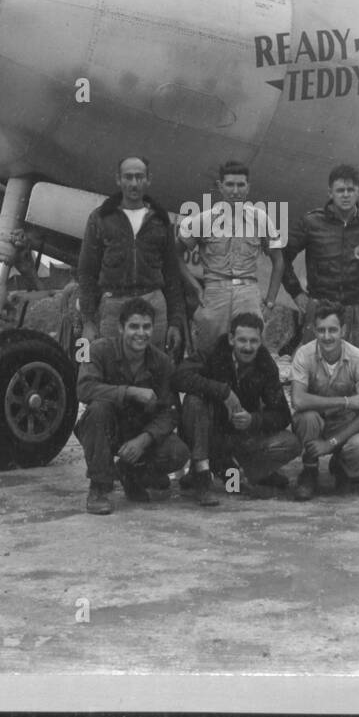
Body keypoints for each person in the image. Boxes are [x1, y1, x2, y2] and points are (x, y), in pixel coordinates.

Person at [75, 298, 203, 515]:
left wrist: (143, 440)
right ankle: (99, 487)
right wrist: (129, 392)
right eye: (134, 326)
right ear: (120, 328)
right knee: (98, 409)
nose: (140, 333)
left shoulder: (162, 362)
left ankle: (130, 474)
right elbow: (84, 389)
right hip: (106, 430)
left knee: (177, 453)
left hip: (139, 430)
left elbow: (170, 413)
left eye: (146, 327)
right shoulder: (98, 350)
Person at [174, 311, 300, 498]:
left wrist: (253, 420)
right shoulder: (213, 350)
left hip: (239, 438)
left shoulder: (265, 363)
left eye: (253, 341)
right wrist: (223, 391)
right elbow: (179, 377)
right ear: (231, 339)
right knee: (193, 401)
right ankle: (204, 473)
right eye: (242, 340)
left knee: (291, 443)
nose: (248, 347)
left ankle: (248, 474)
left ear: (260, 341)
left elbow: (282, 415)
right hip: (208, 435)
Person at [280, 163, 359, 360]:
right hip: (321, 308)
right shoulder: (312, 223)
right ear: (330, 192)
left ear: (358, 191)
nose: (345, 195)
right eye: (340, 190)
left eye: (350, 190)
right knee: (316, 368)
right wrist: (297, 293)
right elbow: (283, 256)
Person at [77, 155, 186, 355]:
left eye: (139, 177)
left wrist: (176, 321)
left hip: (154, 306)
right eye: (128, 177)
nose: (134, 184)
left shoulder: (160, 220)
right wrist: (88, 321)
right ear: (118, 179)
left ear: (148, 180)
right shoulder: (99, 218)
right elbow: (86, 272)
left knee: (153, 370)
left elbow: (172, 274)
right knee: (109, 369)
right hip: (113, 307)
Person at [177, 160, 285, 358]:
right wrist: (195, 286)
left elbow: (278, 260)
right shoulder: (203, 219)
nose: (235, 191)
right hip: (214, 292)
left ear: (248, 187)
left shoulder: (260, 219)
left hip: (248, 292)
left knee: (248, 351)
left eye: (241, 185)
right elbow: (175, 255)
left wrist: (270, 302)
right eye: (230, 185)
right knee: (209, 352)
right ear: (220, 187)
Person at [288, 300, 359, 500]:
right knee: (306, 418)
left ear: (343, 330)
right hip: (317, 423)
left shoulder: (358, 357)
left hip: (345, 425)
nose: (327, 337)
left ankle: (342, 466)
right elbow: (298, 400)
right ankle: (309, 470)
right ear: (313, 330)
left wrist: (331, 443)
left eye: (332, 330)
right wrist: (346, 401)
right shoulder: (304, 354)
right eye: (321, 330)